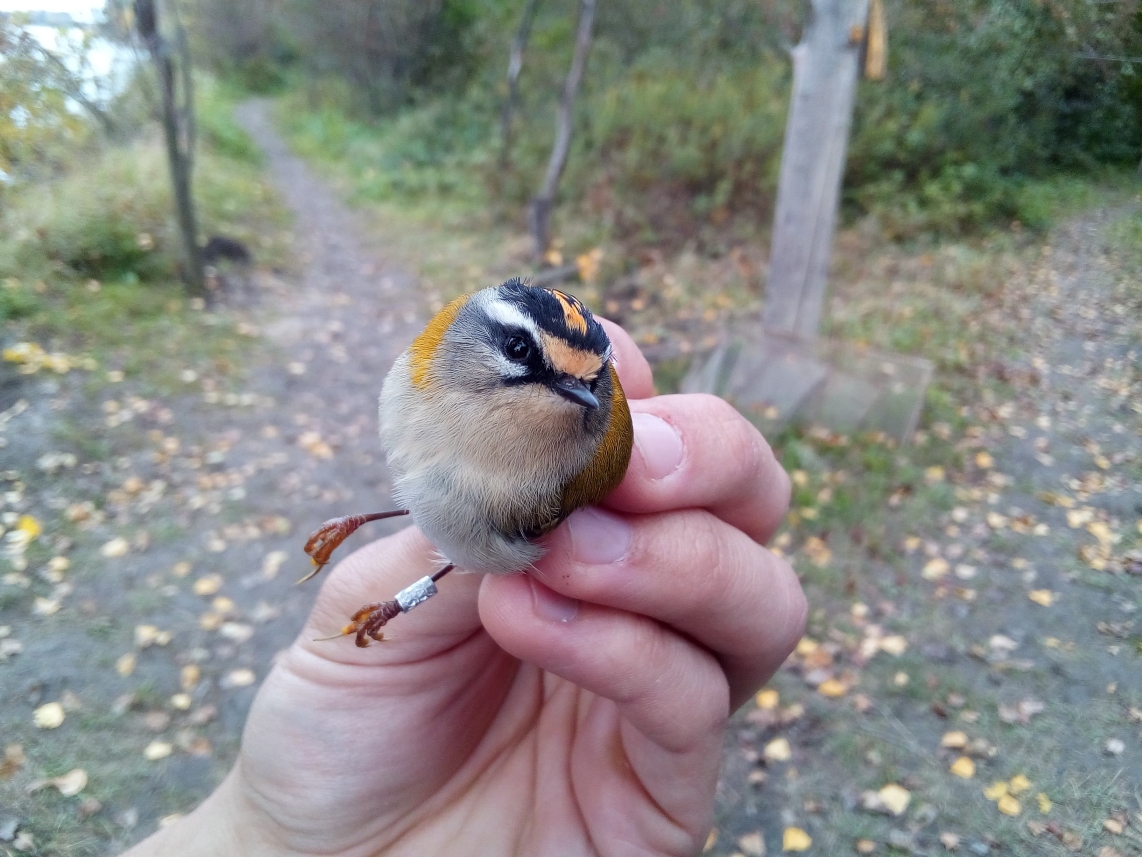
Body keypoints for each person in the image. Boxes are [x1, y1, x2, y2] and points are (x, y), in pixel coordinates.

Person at [123, 321, 805, 857]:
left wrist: (401, 599)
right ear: (476, 339)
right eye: (525, 357)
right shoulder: (426, 365)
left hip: (510, 505)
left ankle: (401, 598)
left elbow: (468, 551)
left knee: (478, 542)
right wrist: (264, 835)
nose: (573, 393)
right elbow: (435, 487)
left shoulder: (561, 460)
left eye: (589, 383)